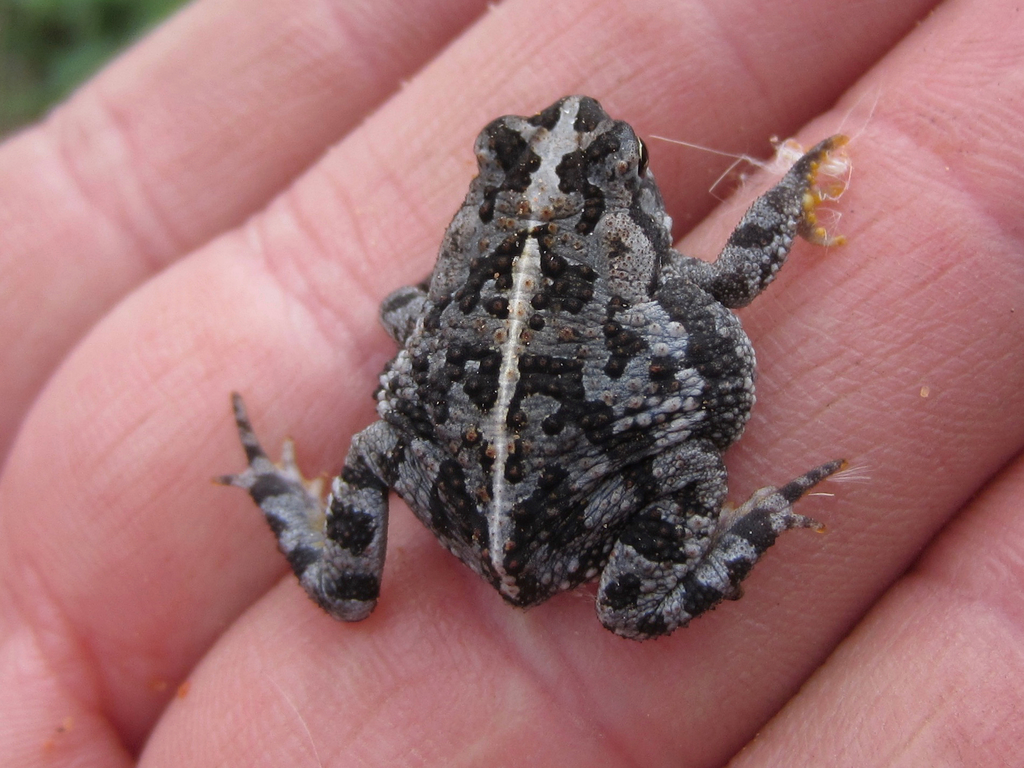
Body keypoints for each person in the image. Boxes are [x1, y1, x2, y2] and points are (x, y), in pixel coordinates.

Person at [0, 0, 1021, 764]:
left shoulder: (466, 278)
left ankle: (335, 566)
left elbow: (407, 317)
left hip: (476, 491)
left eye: (607, 156)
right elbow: (732, 278)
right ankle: (678, 572)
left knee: (379, 436)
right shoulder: (641, 273)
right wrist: (790, 185)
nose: (574, 123)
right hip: (584, 503)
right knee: (676, 483)